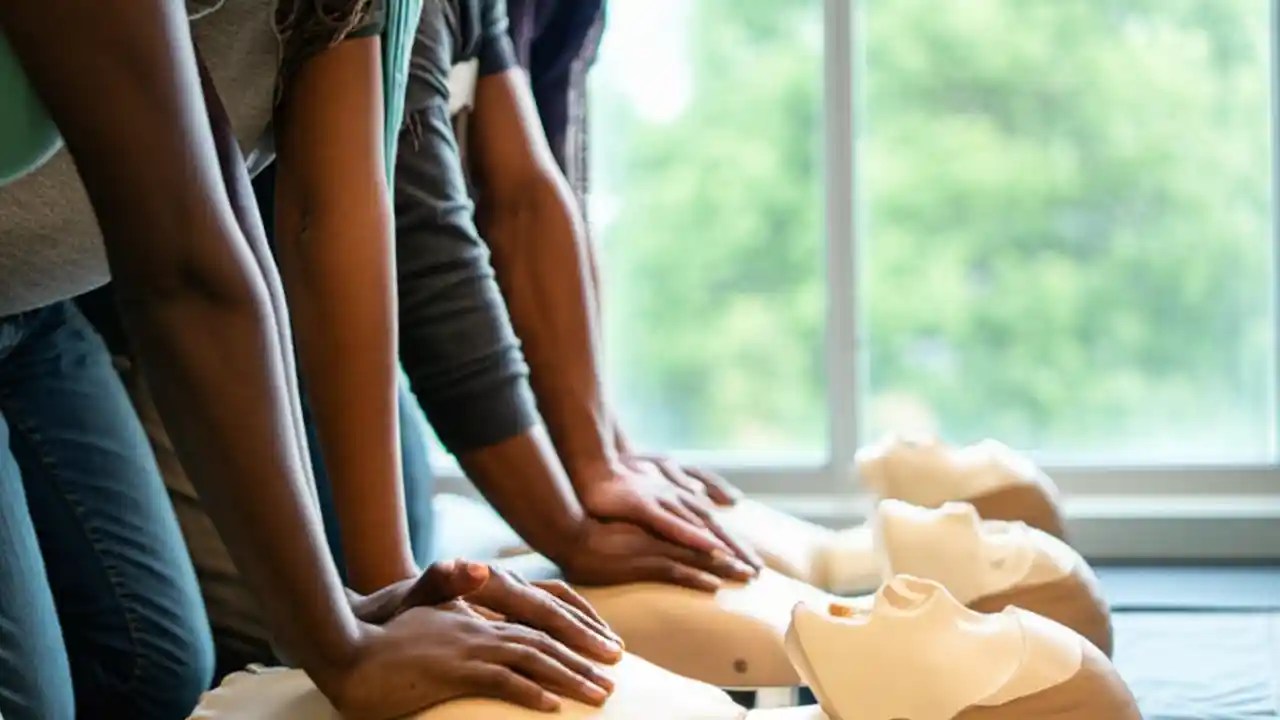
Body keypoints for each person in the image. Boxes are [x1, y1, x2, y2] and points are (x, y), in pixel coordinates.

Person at [0, 2, 618, 718]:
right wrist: (337, 645)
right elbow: (183, 267)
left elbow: (322, 212)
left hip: (33, 306)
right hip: (84, 278)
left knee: (150, 662)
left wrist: (385, 585)